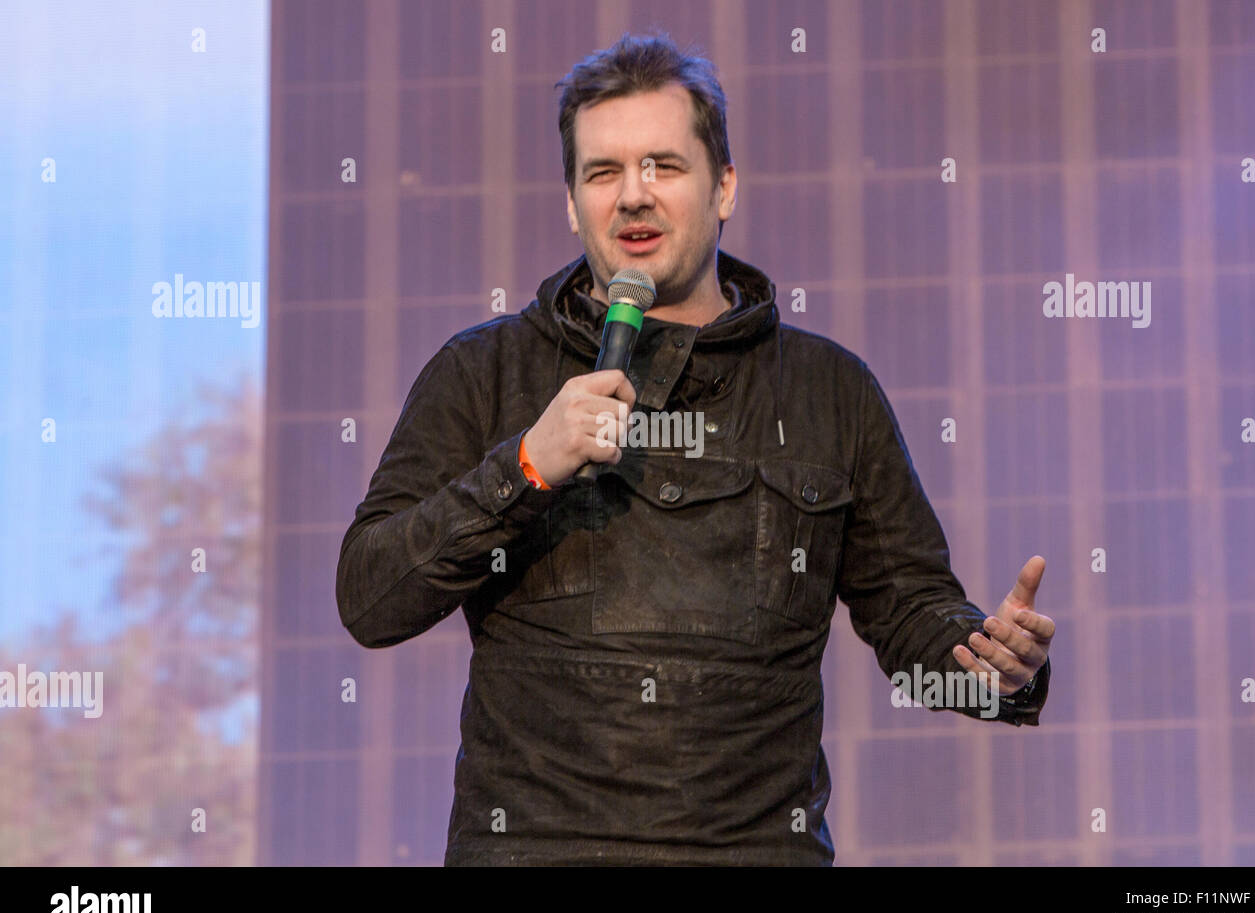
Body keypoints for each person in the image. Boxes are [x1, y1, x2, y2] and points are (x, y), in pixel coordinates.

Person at [336, 32, 1055, 866]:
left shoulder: (830, 390)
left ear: (725, 188)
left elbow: (908, 614)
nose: (633, 196)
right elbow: (370, 597)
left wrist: (992, 666)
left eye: (664, 166)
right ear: (571, 204)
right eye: (603, 173)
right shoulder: (484, 371)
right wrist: (524, 465)